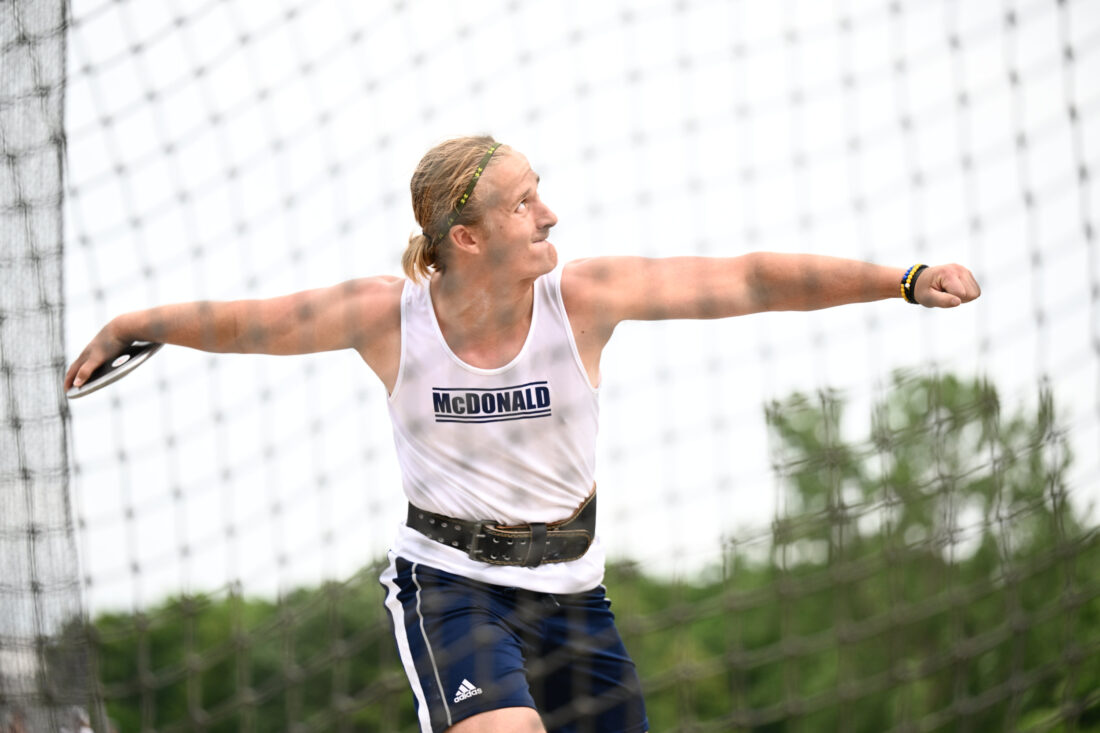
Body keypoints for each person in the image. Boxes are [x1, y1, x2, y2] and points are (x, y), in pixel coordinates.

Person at [65, 135, 981, 733]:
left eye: (541, 194)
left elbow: (749, 280)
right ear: (466, 238)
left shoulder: (583, 297)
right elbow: (244, 323)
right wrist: (134, 322)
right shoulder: (386, 317)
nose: (549, 214)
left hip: (576, 596)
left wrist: (902, 279)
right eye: (523, 203)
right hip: (452, 588)